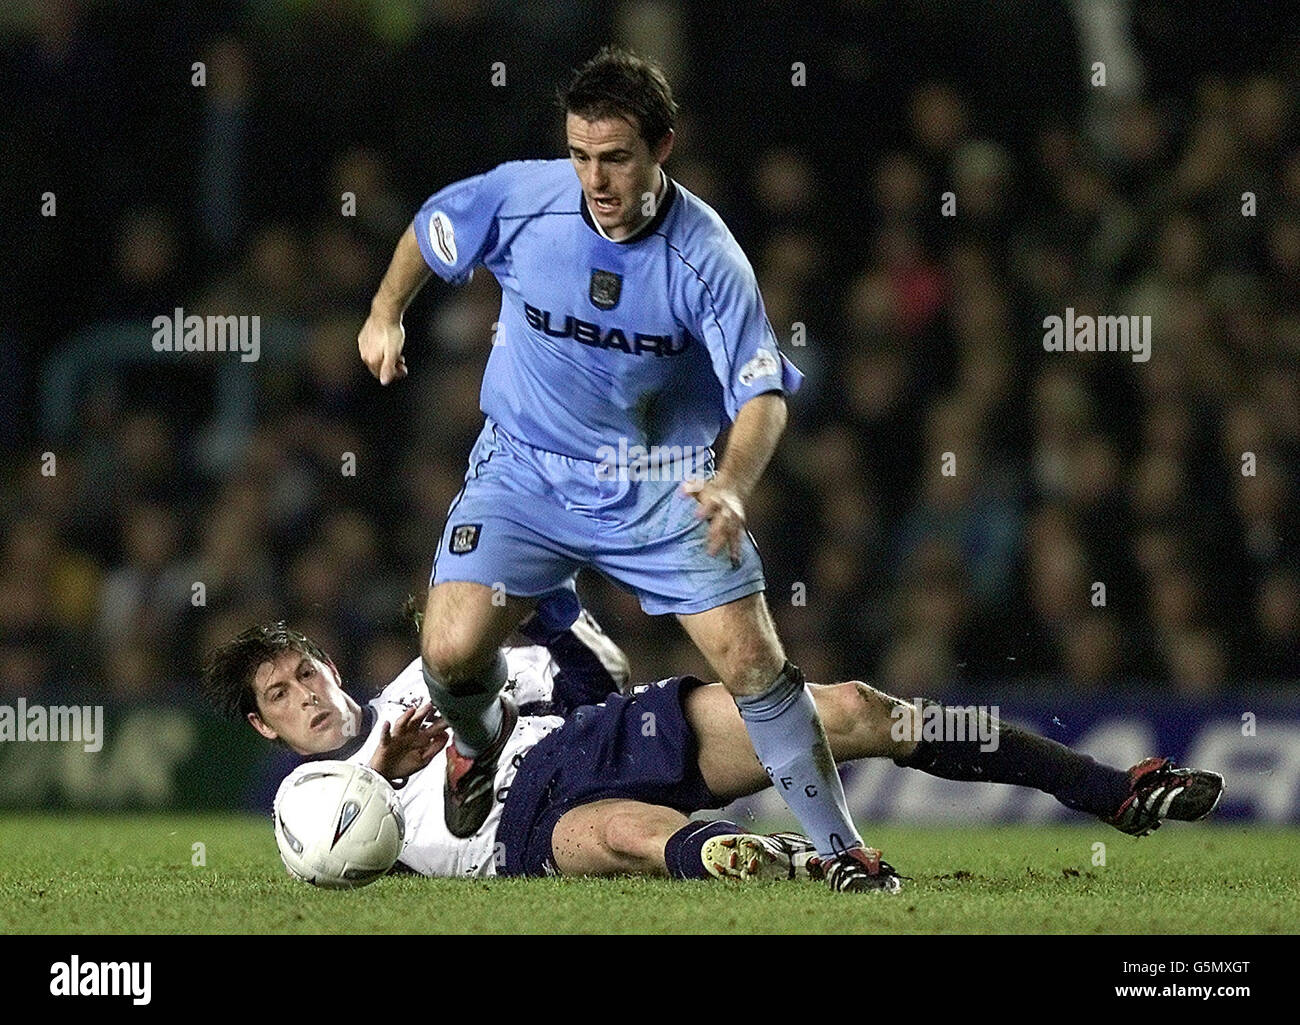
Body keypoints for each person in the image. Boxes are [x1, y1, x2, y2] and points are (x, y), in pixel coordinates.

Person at [356, 47, 878, 885]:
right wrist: (387, 313)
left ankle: (844, 850)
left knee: (751, 663)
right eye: (581, 155)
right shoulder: (525, 198)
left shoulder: (708, 256)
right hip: (525, 469)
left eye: (616, 157)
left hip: (662, 479)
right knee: (450, 653)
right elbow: (433, 226)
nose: (595, 179)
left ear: (662, 147)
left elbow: (764, 393)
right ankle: (479, 738)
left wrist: (734, 483)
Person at [202, 618, 1225, 890]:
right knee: (619, 836)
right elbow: (343, 846)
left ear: (330, 664)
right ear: (265, 726)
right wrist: (397, 765)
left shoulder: (436, 670)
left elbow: (581, 679)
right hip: (527, 823)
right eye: (278, 697)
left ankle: (1116, 788)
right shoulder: (311, 793)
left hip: (599, 735)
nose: (302, 698)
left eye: (303, 673)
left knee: (853, 710)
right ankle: (763, 856)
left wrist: (553, 656)